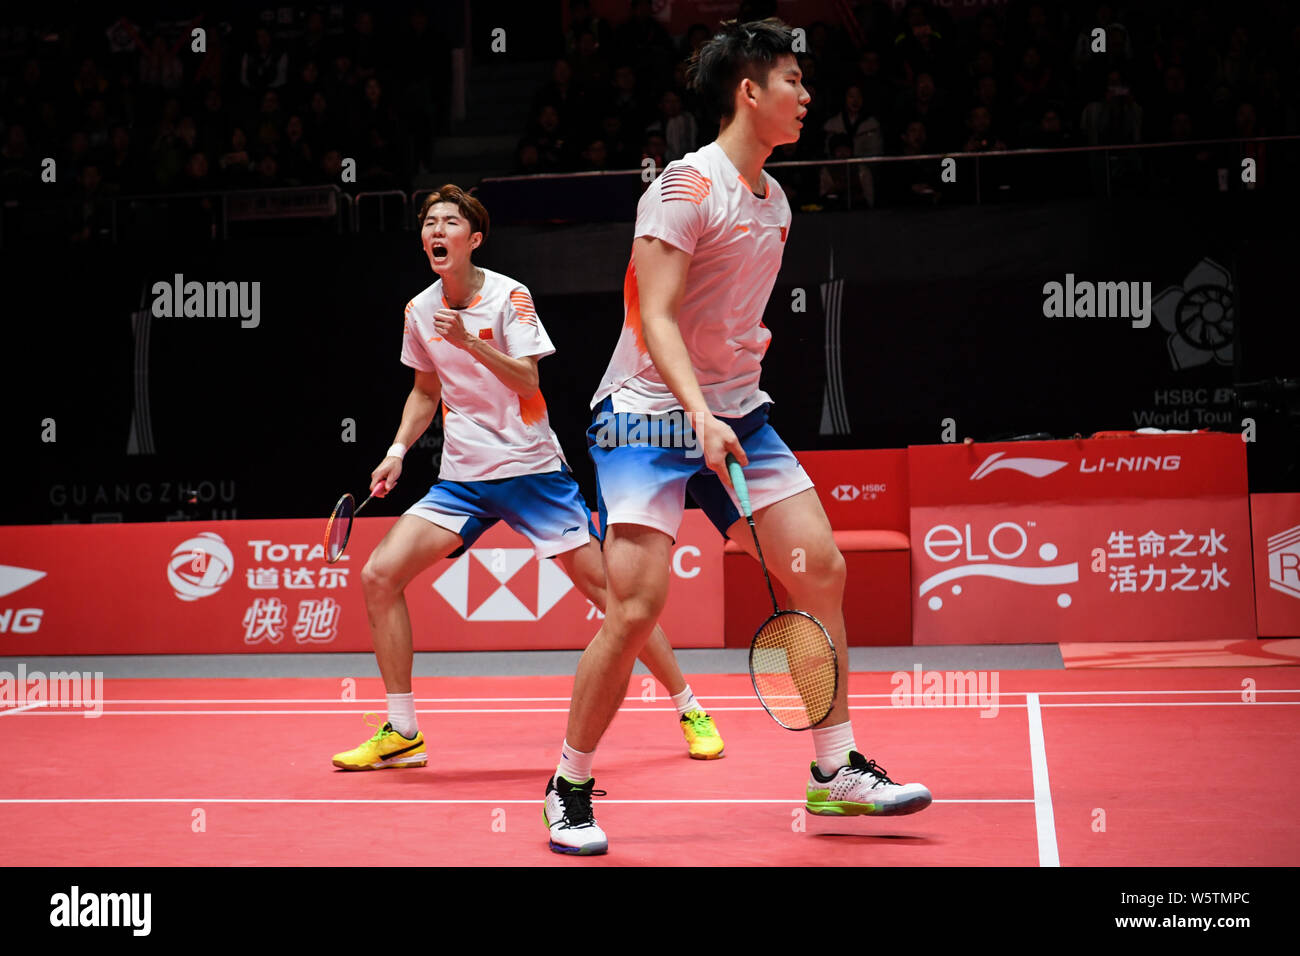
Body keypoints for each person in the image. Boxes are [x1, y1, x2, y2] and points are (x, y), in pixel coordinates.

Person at [543, 19, 932, 856]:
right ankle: (569, 784)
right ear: (748, 91)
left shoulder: (778, 202)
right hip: (645, 413)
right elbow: (653, 315)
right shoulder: (684, 190)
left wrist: (727, 408)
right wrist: (696, 412)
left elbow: (729, 323)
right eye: (793, 80)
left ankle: (835, 775)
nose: (807, 96)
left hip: (739, 415)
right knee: (637, 607)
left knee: (819, 571)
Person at [332, 185, 724, 774]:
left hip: (534, 472)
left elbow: (528, 383)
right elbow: (424, 390)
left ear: (474, 238)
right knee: (379, 574)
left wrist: (470, 342)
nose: (436, 232)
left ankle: (689, 707)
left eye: (449, 223)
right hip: (463, 478)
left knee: (617, 600)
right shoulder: (418, 311)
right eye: (429, 223)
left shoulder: (511, 297)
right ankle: (402, 729)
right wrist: (396, 452)